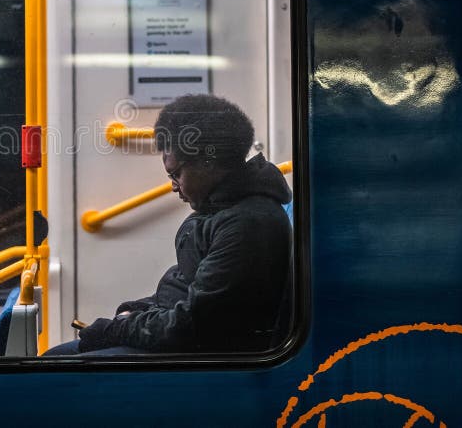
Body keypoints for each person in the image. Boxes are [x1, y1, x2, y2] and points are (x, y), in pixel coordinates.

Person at [44, 94, 292, 355]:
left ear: (208, 163)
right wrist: (137, 311)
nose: (173, 186)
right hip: (185, 340)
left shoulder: (248, 225)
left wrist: (116, 329)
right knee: (57, 358)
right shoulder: (220, 210)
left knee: (59, 365)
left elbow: (194, 324)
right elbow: (185, 290)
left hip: (209, 358)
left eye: (176, 174)